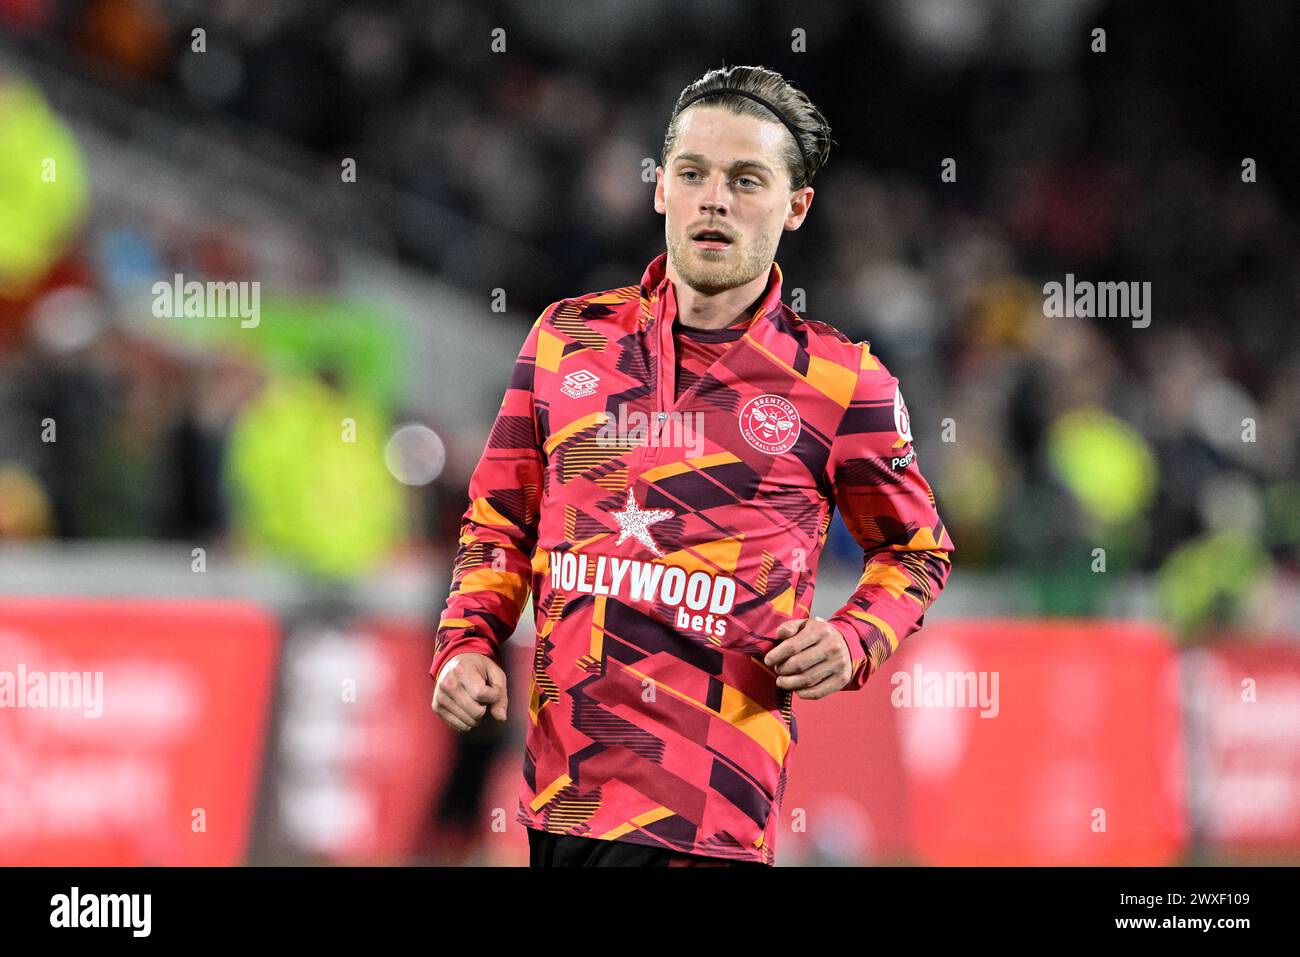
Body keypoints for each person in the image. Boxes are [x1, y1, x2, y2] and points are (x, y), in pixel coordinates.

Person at [429, 64, 956, 867]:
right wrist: (467, 640)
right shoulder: (566, 340)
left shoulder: (843, 382)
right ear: (659, 190)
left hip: (709, 810)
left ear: (796, 206)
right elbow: (499, 519)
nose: (715, 198)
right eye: (693, 174)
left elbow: (916, 552)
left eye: (747, 180)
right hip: (562, 797)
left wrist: (854, 640)